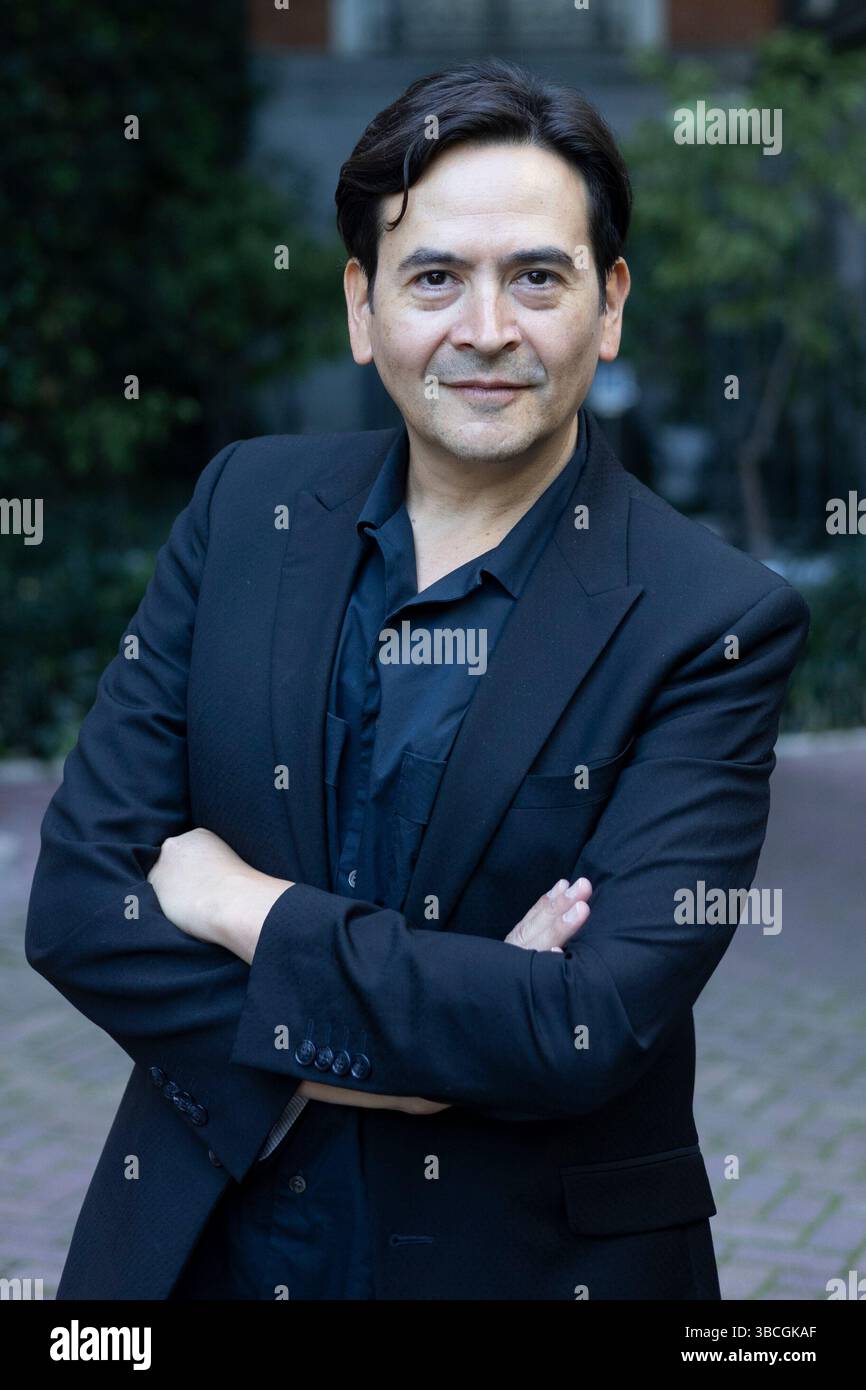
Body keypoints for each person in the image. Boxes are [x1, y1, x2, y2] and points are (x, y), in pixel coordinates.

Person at [25, 57, 810, 1301]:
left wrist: (246, 910)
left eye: (535, 278)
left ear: (607, 306)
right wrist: (428, 1030)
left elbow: (582, 1026)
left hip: (533, 1266)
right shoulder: (245, 510)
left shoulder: (712, 618)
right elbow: (79, 907)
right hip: (208, 1245)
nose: (485, 330)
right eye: (434, 276)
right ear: (361, 305)